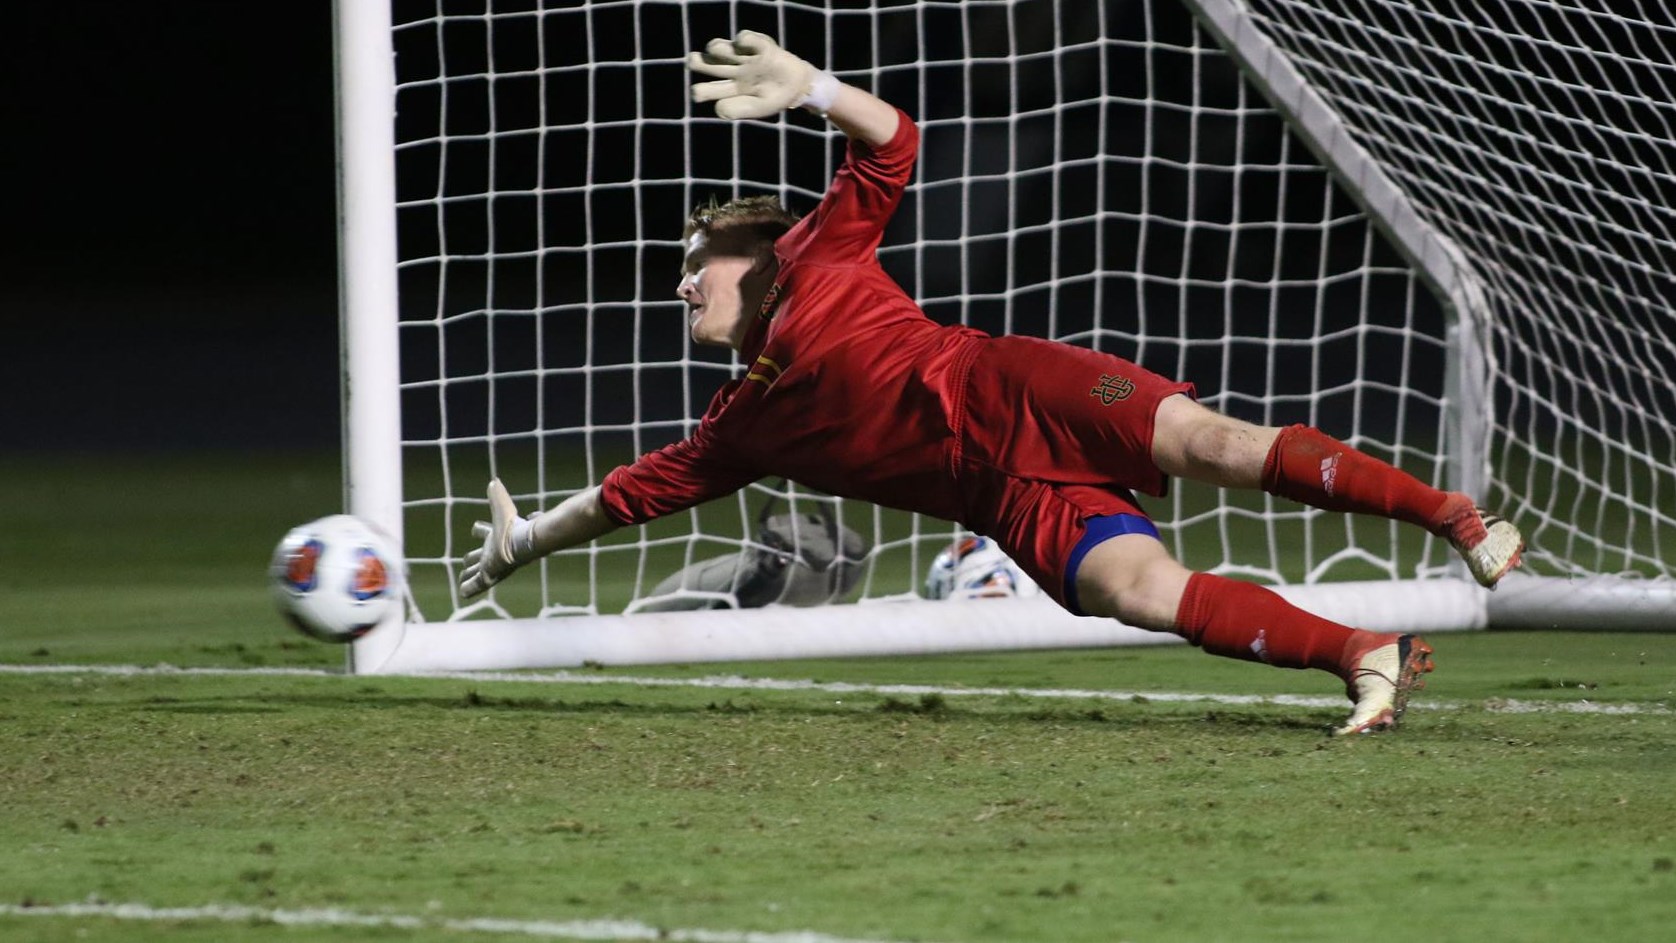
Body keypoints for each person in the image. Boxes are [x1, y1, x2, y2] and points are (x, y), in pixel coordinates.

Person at [459, 31, 1525, 735]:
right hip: (999, 499)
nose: (683, 284)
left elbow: (891, 146)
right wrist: (525, 541)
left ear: (757, 249)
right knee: (1133, 595)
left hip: (1018, 388)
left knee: (1213, 446)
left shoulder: (818, 257)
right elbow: (627, 495)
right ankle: (1364, 655)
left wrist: (814, 91)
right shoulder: (738, 427)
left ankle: (1452, 515)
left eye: (699, 262)